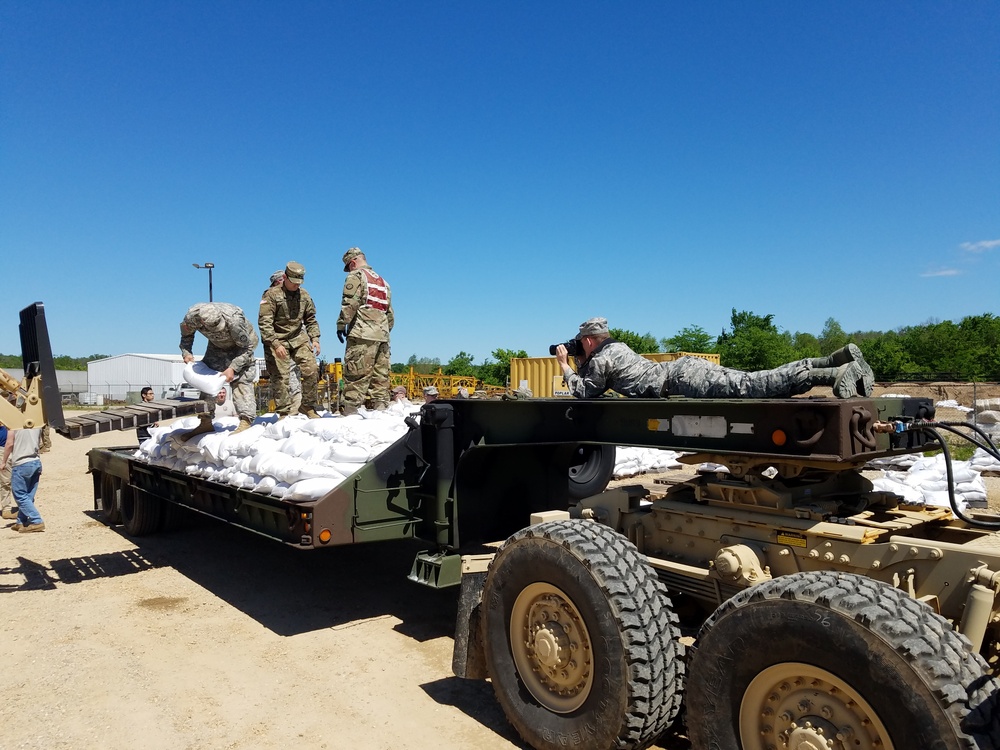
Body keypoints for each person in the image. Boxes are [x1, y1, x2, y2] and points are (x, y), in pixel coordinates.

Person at [555, 317, 875, 400]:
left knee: (752, 385)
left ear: (587, 340)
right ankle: (837, 359)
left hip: (681, 379)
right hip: (684, 371)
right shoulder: (617, 348)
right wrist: (580, 361)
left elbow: (585, 392)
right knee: (751, 380)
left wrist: (564, 364)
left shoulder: (601, 359)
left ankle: (831, 374)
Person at [180, 302, 260, 437]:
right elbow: (186, 336)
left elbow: (247, 348)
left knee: (242, 380)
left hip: (242, 347)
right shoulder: (192, 318)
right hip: (216, 346)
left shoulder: (234, 320)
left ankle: (246, 421)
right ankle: (205, 422)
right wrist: (187, 352)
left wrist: (233, 368)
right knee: (207, 381)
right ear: (201, 322)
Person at [259, 261, 321, 419]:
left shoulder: (304, 295)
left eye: (299, 283)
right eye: (293, 282)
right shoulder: (271, 295)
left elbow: (311, 320)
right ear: (285, 277)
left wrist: (315, 339)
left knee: (312, 369)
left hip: (297, 338)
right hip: (277, 339)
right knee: (280, 376)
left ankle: (307, 406)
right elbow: (265, 323)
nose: (296, 286)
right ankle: (284, 412)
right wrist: (275, 344)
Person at [337, 247, 394, 415]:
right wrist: (382, 331)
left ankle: (351, 412)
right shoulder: (384, 282)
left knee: (355, 375)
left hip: (362, 334)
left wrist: (341, 325)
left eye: (348, 267)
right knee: (380, 378)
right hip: (382, 336)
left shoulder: (356, 276)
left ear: (353, 262)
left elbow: (350, 304)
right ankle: (380, 411)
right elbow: (390, 314)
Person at [3, 427, 44, 532]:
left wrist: (3, 461)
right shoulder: (37, 425)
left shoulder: (14, 426)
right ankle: (21, 521)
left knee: (20, 495)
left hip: (21, 463)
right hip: (35, 461)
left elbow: (9, 444)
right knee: (29, 494)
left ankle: (36, 520)